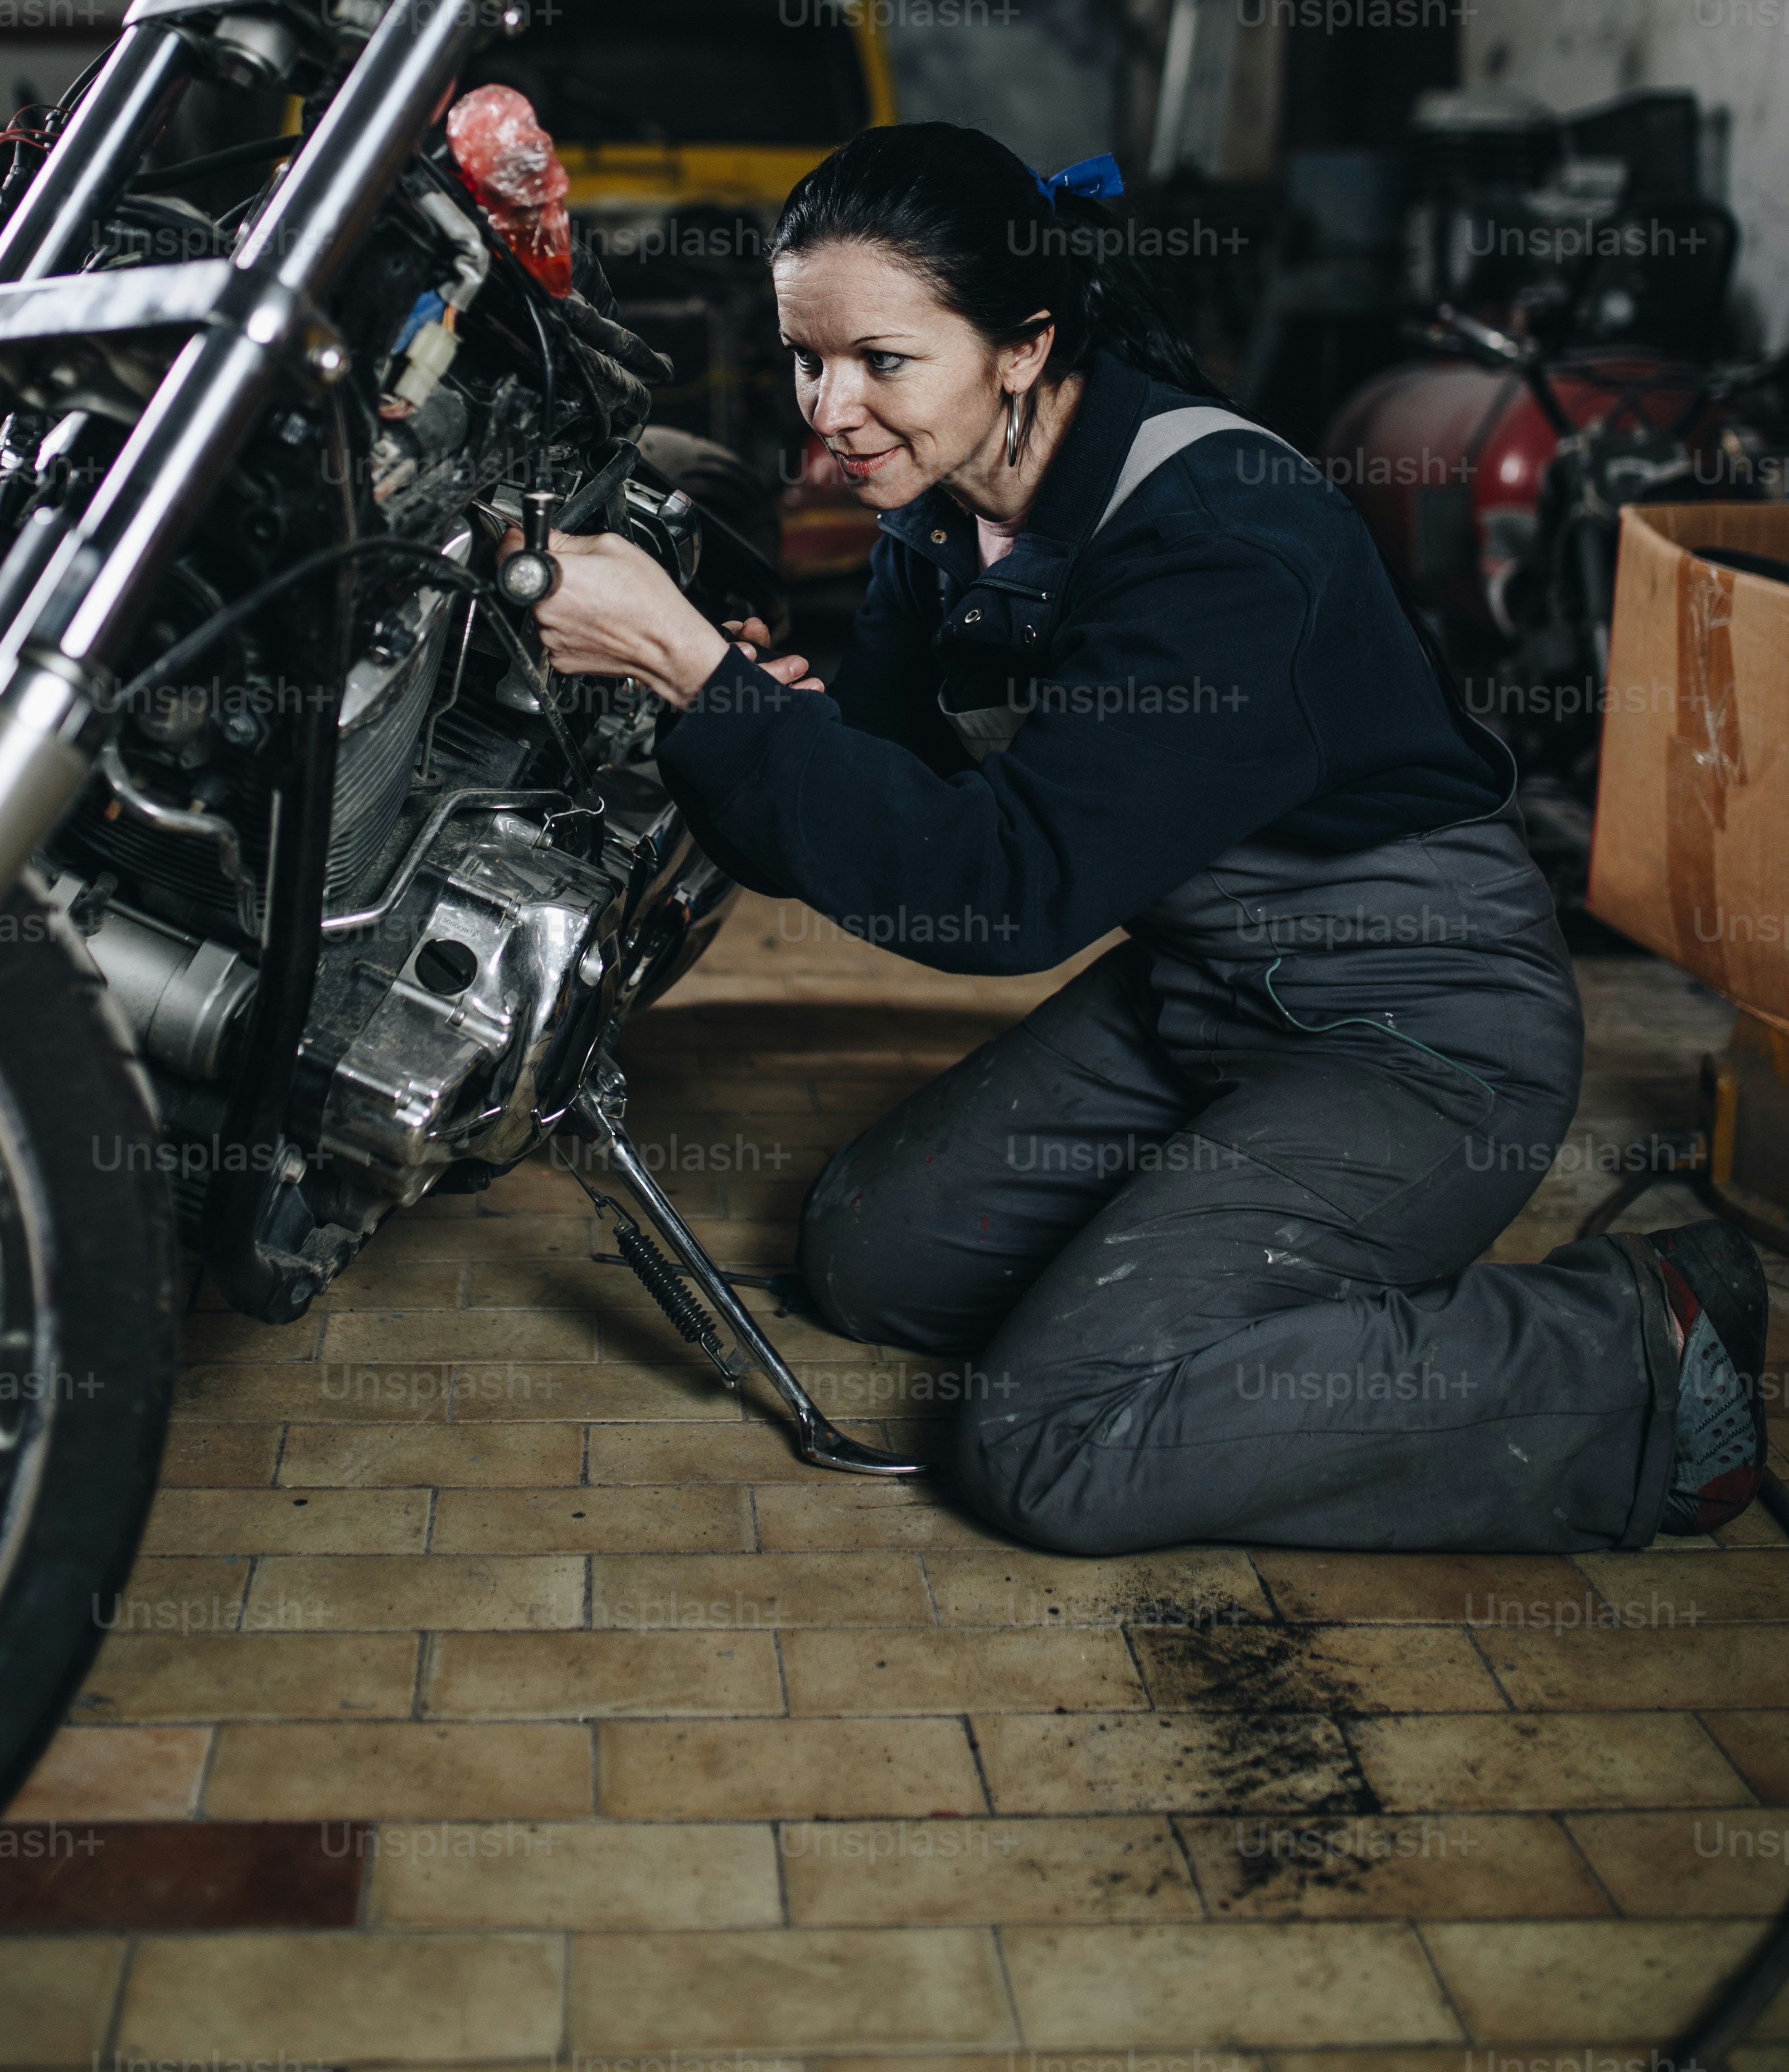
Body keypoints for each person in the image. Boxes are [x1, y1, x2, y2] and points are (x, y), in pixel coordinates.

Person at [526, 120, 1767, 1556]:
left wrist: (704, 681)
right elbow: (879, 793)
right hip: (1202, 1000)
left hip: (1420, 1030)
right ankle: (1221, 1250)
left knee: (1051, 1441)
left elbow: (1002, 893)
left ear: (1023, 347)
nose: (828, 410)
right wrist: (730, 708)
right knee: (868, 1257)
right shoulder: (943, 521)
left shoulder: (1223, 540)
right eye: (808, 357)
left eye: (881, 361)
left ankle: (1630, 1348)